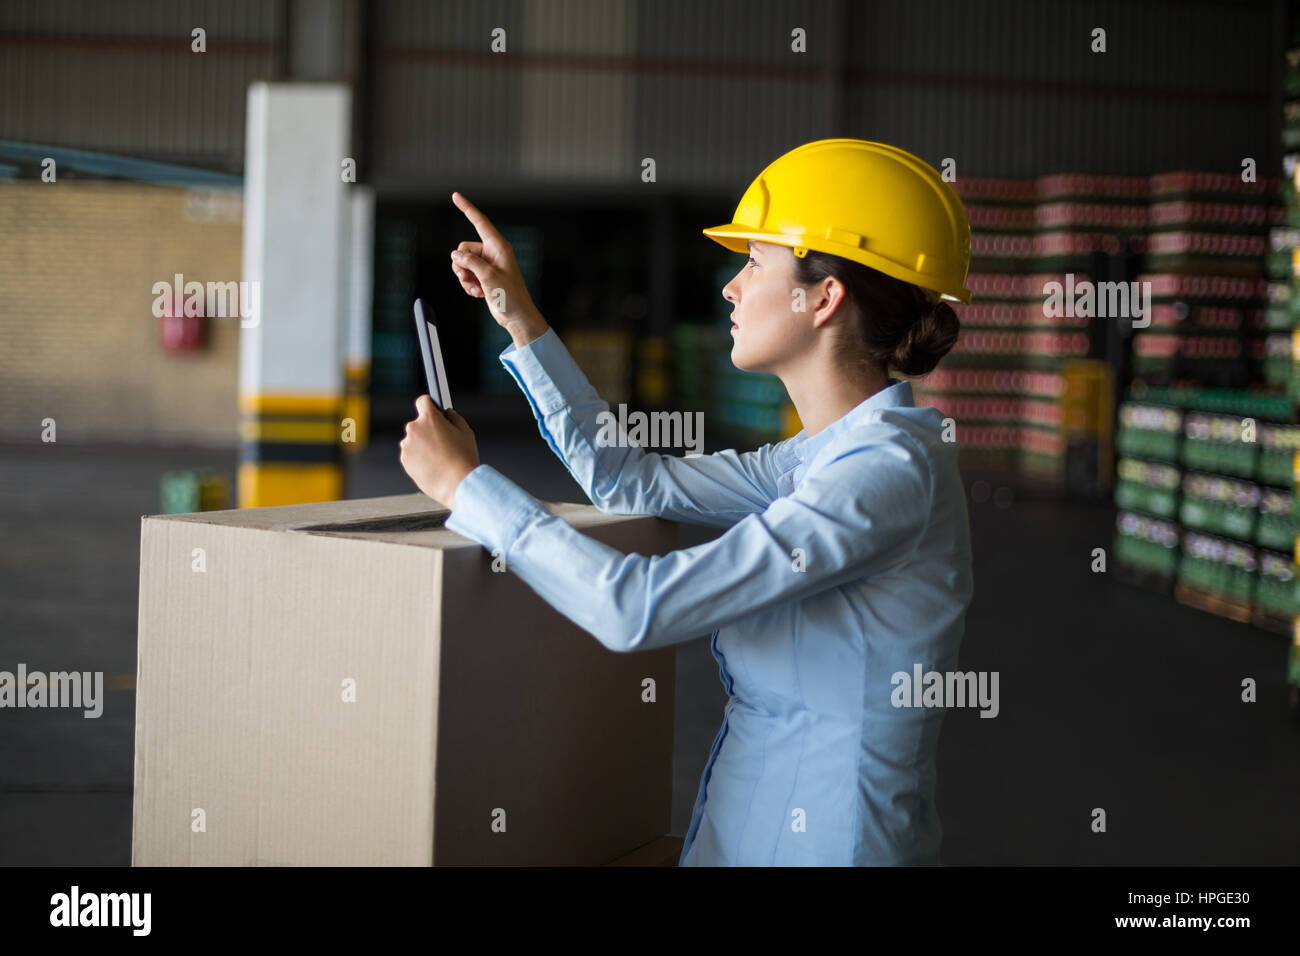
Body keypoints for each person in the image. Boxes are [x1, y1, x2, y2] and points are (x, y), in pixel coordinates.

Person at [399, 138, 975, 866]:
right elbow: (625, 476)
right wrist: (521, 318)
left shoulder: (886, 474)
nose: (732, 288)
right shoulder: (812, 461)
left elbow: (638, 607)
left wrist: (467, 490)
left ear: (824, 299)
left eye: (755, 263)